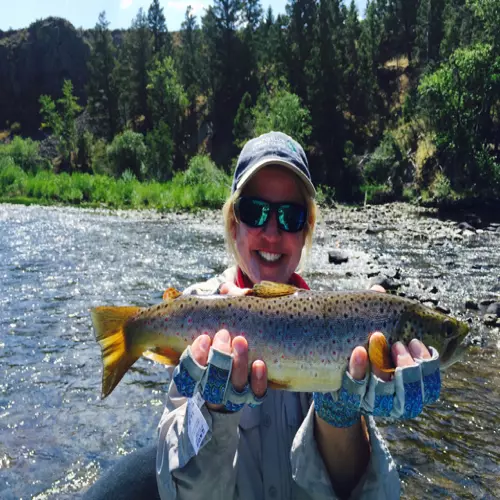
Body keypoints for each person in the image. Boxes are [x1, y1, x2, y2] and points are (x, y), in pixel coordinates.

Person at [84, 131, 439, 500]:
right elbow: (185, 493)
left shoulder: (339, 325)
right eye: (255, 211)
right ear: (234, 223)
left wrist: (340, 417)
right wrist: (213, 411)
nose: (271, 232)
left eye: (289, 215)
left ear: (305, 231)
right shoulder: (198, 313)